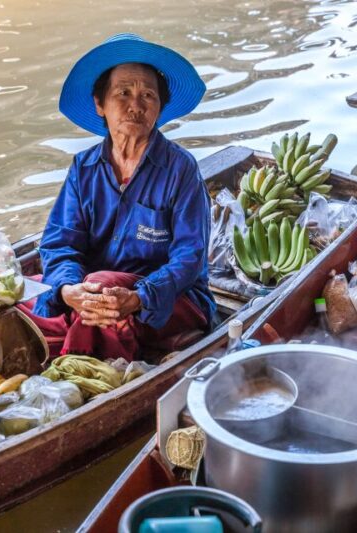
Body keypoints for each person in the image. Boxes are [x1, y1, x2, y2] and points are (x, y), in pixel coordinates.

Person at [20, 33, 216, 361]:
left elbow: (190, 258)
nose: (136, 106)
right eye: (123, 93)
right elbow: (59, 244)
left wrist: (139, 296)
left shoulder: (180, 169)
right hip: (97, 295)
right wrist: (69, 290)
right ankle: (82, 325)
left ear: (160, 107)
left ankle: (76, 365)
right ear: (101, 104)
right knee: (17, 295)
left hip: (167, 297)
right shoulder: (84, 168)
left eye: (148, 95)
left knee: (99, 298)